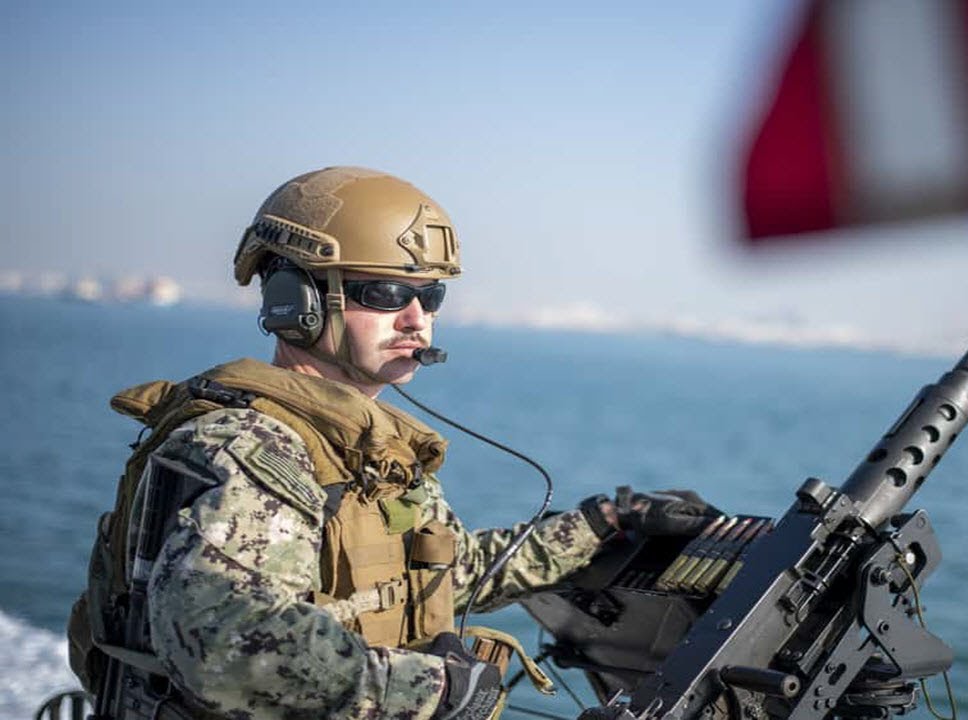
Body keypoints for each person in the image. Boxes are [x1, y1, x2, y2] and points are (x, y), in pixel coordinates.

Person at [66, 166, 719, 720]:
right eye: (385, 293)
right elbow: (222, 641)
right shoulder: (249, 445)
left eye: (428, 295)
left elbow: (434, 578)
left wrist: (603, 524)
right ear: (298, 301)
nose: (417, 319)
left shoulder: (363, 449)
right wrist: (431, 690)